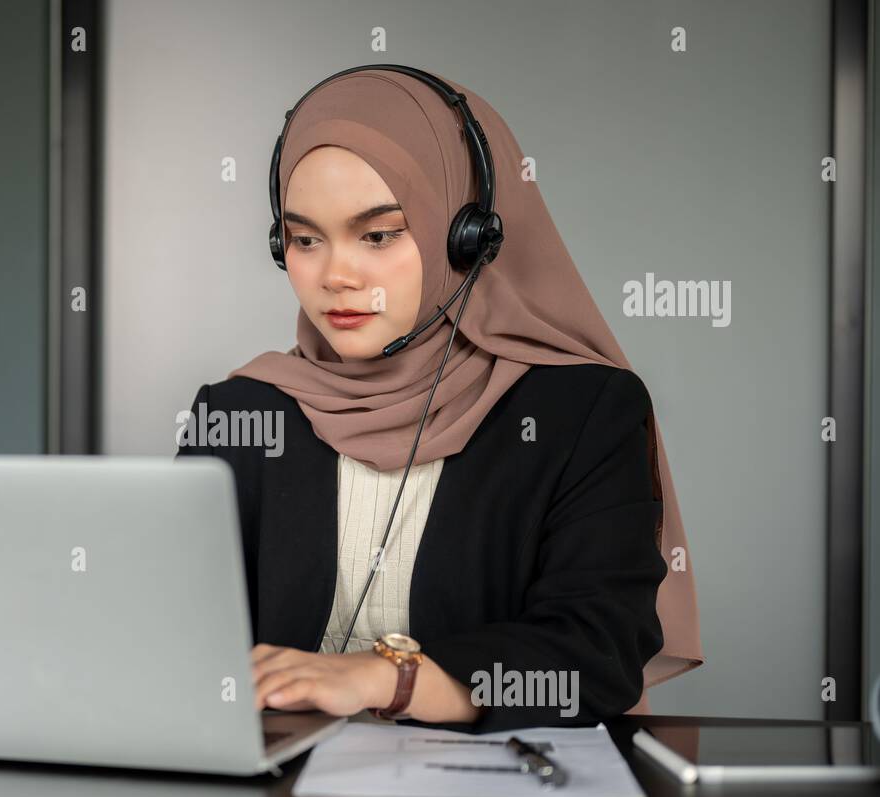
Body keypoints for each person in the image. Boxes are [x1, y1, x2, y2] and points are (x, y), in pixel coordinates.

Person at [175, 67, 702, 732]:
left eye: (378, 234)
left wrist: (388, 678)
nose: (337, 275)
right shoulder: (240, 413)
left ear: (468, 237)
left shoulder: (584, 411)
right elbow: (174, 644)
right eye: (306, 238)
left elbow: (595, 654)